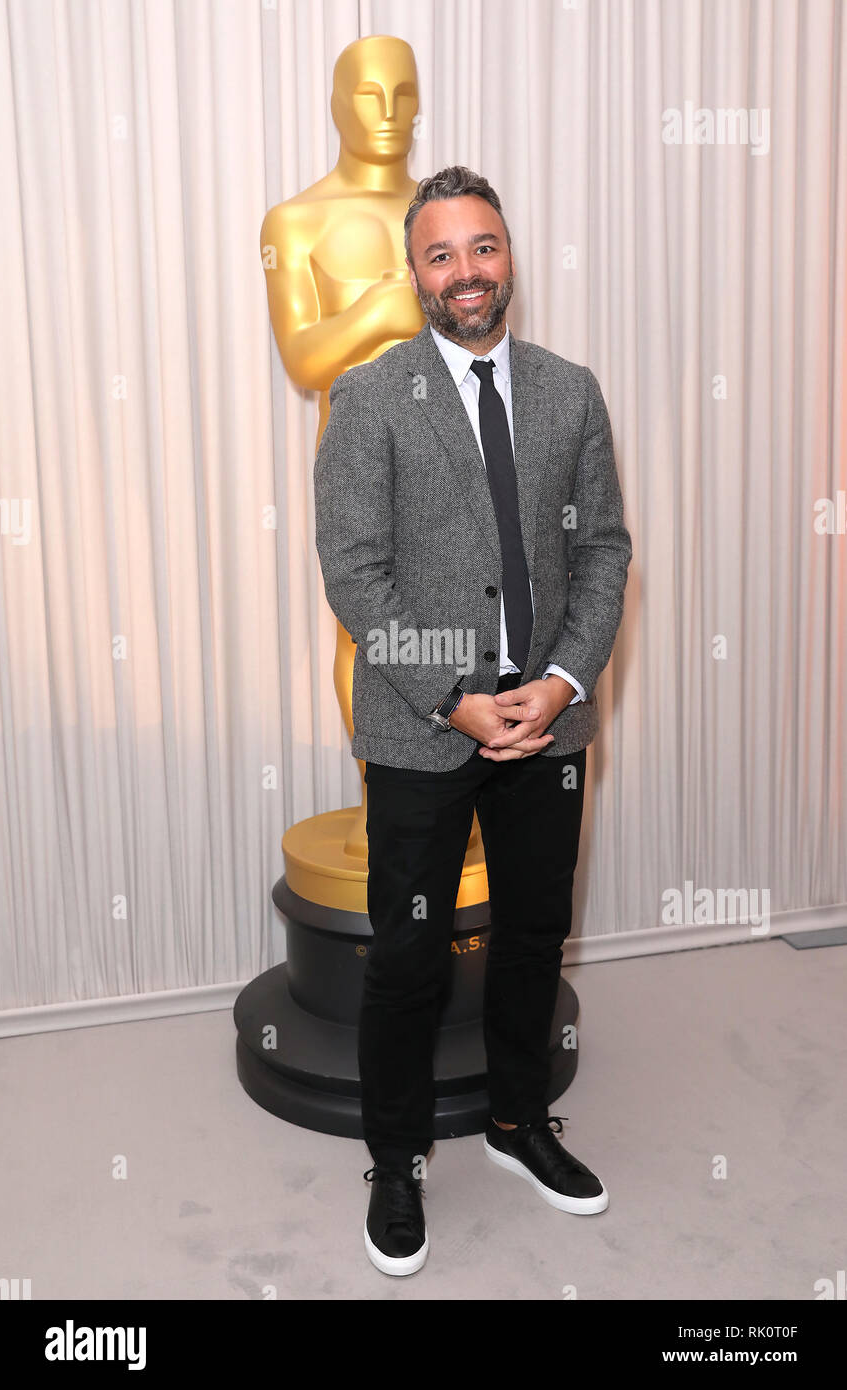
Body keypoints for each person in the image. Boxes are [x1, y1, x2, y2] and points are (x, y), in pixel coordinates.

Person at [313, 165, 632, 1276]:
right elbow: (355, 577)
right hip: (421, 730)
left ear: (510, 257)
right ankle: (395, 1160)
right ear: (415, 274)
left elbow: (603, 552)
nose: (467, 272)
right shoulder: (369, 398)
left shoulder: (570, 391)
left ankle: (516, 1121)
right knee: (406, 955)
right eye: (442, 254)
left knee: (535, 935)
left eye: (483, 248)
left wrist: (562, 682)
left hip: (546, 727)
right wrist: (456, 696)